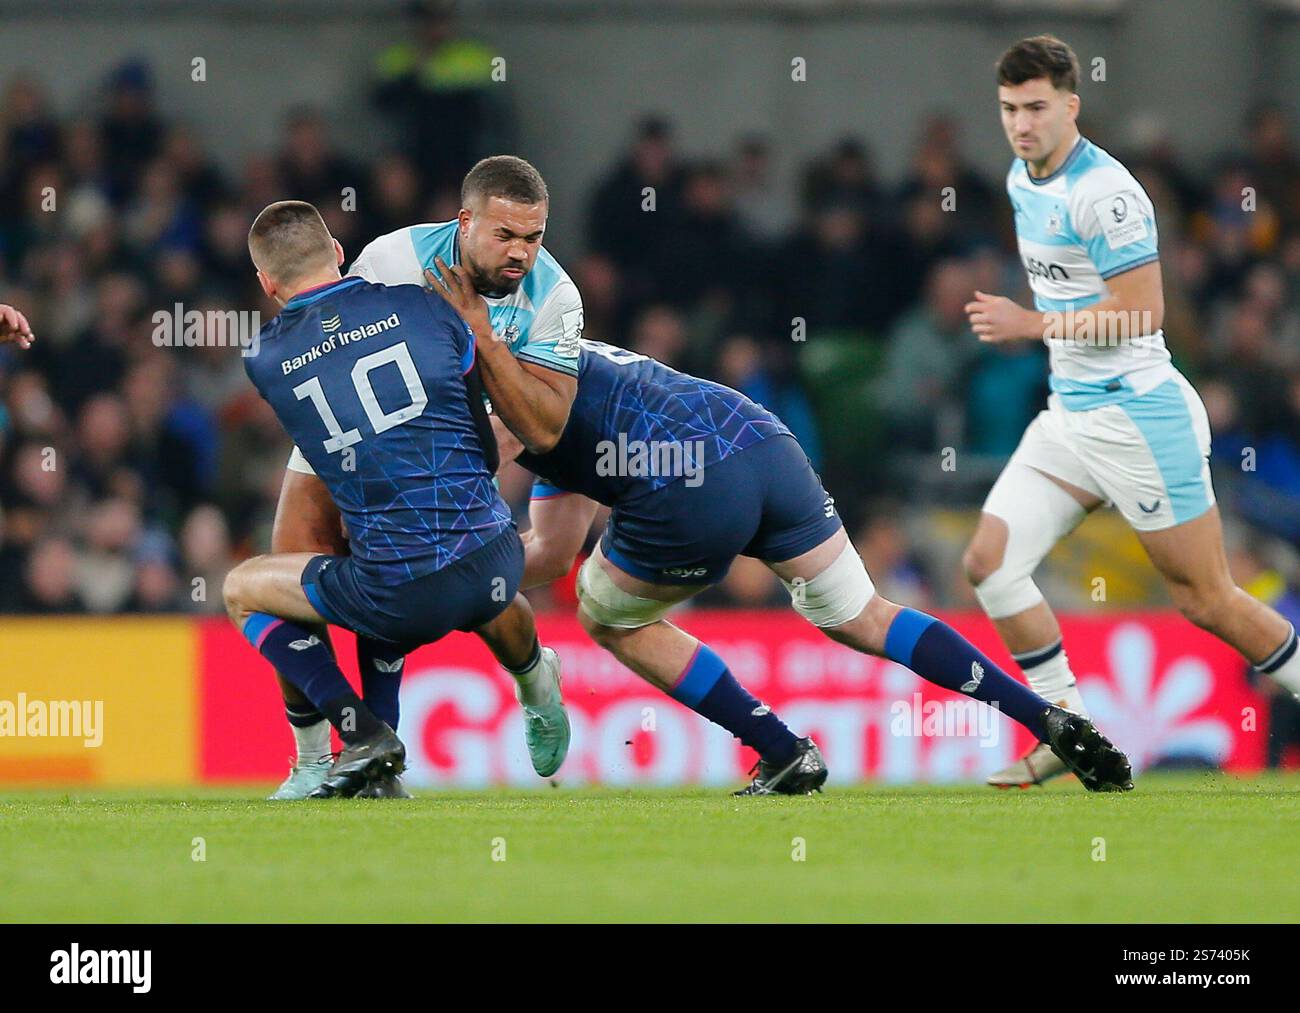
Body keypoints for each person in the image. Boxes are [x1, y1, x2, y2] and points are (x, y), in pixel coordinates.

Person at [461, 333, 1134, 795]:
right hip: (760, 440)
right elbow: (547, 549)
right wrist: (473, 583)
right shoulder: (562, 371)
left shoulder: (498, 384)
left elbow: (491, 444)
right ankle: (1046, 717)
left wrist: (434, 566)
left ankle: (781, 749)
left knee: (608, 616)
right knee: (864, 615)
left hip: (686, 477)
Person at [961, 36, 1300, 787]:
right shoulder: (1021, 176)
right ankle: (1069, 731)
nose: (1021, 124)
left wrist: (1032, 324)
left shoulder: (1105, 192)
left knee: (1208, 600)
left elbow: (1144, 311)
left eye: (1037, 108)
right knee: (989, 563)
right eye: (1010, 109)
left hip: (1139, 417)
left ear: (1071, 105)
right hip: (1070, 415)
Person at [223, 200, 568, 799]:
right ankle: (530, 685)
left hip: (402, 594)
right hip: (498, 556)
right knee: (421, 561)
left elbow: (335, 456)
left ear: (266, 283)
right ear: (336, 252)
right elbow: (482, 448)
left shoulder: (266, 358)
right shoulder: (427, 306)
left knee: (243, 588)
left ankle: (361, 735)